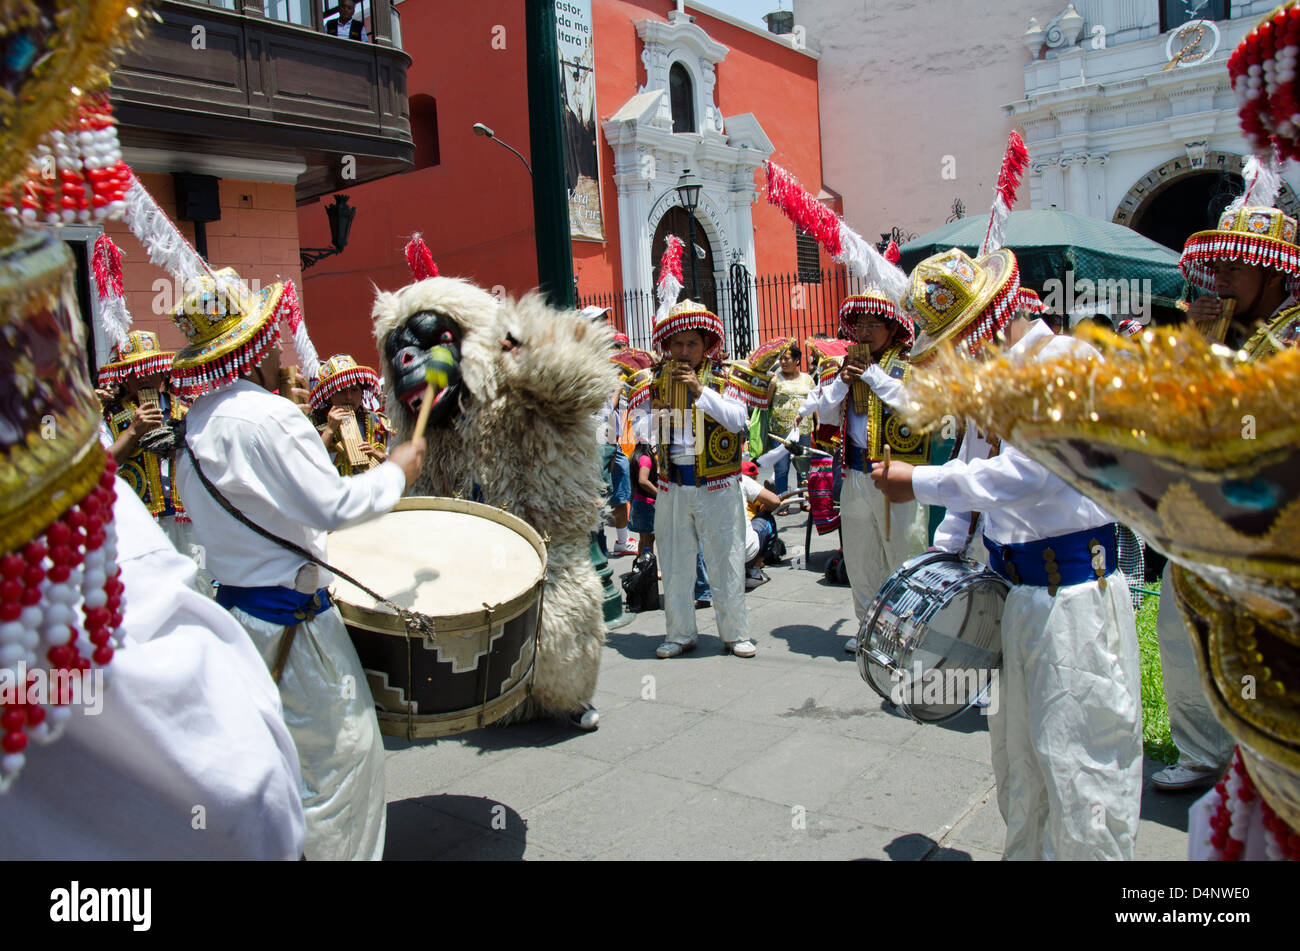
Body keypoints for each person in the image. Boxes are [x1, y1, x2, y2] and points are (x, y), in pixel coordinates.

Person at [0, 228, 305, 859]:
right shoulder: (88, 445)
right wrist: (126, 440)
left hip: (175, 538)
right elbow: (238, 793)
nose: (147, 392)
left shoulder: (178, 418)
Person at [870, 247, 1142, 861]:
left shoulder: (1063, 363)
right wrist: (938, 558)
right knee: (1016, 756)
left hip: (1072, 600)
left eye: (955, 343)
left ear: (986, 323)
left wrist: (919, 481)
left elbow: (1026, 475)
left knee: (1081, 765)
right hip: (1014, 593)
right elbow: (973, 466)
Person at [169, 269, 425, 861]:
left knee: (273, 764)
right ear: (257, 345)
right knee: (343, 760)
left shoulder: (192, 428)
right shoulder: (269, 418)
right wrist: (397, 472)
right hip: (297, 625)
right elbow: (332, 506)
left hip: (236, 627)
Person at [1149, 198, 1300, 794]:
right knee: (1182, 633)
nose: (1223, 277)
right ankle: (1202, 750)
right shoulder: (1222, 330)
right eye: (1221, 266)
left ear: (1274, 271)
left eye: (1238, 266)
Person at [806, 289, 930, 654]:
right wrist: (844, 381)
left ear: (892, 329)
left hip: (896, 475)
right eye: (860, 324)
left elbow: (918, 408)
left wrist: (873, 377)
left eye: (873, 324)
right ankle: (868, 626)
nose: (864, 331)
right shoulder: (844, 368)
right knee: (860, 556)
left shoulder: (911, 367)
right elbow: (823, 414)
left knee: (904, 551)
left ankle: (910, 631)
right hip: (854, 474)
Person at [639, 300, 755, 658]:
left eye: (692, 344)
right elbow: (643, 430)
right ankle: (680, 633)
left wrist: (700, 393)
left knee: (726, 560)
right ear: (668, 347)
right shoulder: (657, 381)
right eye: (678, 344)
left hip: (718, 485)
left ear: (706, 345)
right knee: (674, 563)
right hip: (673, 485)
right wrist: (659, 417)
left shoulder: (725, 378)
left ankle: (735, 634)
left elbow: (740, 420)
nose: (684, 352)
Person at [311, 353, 392, 477]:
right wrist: (329, 430)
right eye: (341, 391)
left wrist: (380, 456)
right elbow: (309, 464)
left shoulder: (381, 423)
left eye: (354, 390)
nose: (349, 397)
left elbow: (404, 463)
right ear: (330, 396)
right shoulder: (318, 428)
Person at [765, 343, 814, 501]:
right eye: (781, 359)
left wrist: (818, 422)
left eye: (787, 359)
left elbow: (814, 401)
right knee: (781, 467)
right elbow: (766, 403)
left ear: (797, 360)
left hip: (803, 429)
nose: (783, 362)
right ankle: (782, 499)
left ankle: (804, 499)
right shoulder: (775, 380)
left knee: (803, 466)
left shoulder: (808, 379)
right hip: (779, 430)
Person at [739, 460, 781, 589]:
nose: (754, 479)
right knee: (768, 520)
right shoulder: (743, 481)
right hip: (744, 549)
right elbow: (774, 502)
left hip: (715, 555)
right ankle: (754, 571)